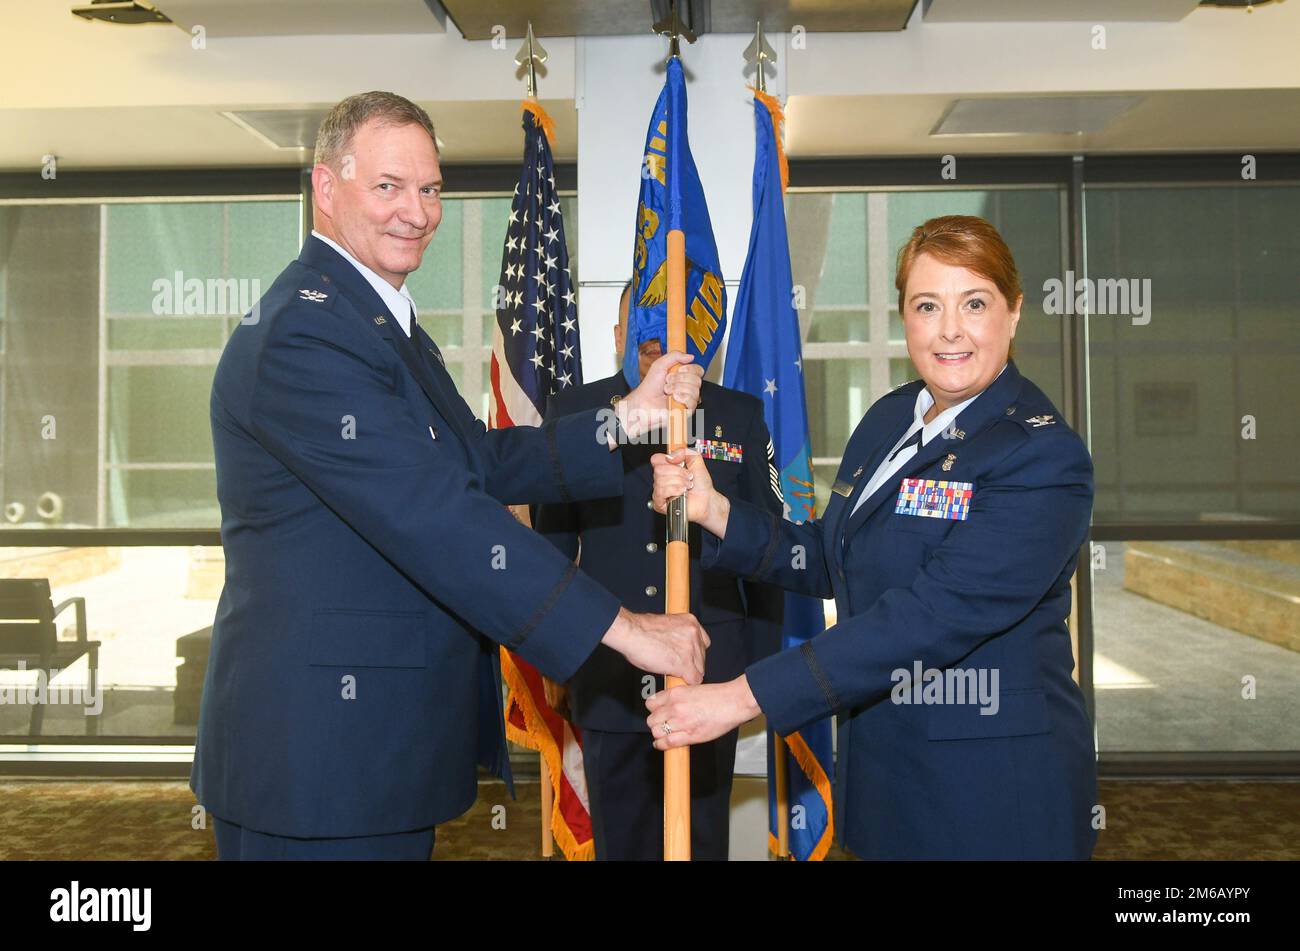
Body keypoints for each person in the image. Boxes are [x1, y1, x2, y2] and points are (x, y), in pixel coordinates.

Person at [192, 91, 709, 860]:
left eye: (430, 189)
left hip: (373, 745)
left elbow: (479, 457)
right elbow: (438, 513)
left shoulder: (375, 319)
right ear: (326, 191)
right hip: (319, 760)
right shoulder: (305, 334)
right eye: (389, 187)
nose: (418, 212)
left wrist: (626, 418)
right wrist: (626, 631)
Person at [648, 215, 1098, 860]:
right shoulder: (892, 416)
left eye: (975, 303)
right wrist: (716, 510)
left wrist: (740, 698)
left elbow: (930, 618)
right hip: (887, 764)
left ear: (1015, 312)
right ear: (904, 317)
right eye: (927, 305)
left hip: (992, 789)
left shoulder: (1042, 457)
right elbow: (835, 558)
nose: (950, 330)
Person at [533, 280, 784, 861]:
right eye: (641, 326)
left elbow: (769, 552)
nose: (655, 339)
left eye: (670, 326)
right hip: (610, 669)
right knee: (622, 842)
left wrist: (761, 668)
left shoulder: (738, 416)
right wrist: (558, 656)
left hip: (711, 675)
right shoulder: (578, 414)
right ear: (618, 335)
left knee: (700, 841)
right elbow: (549, 552)